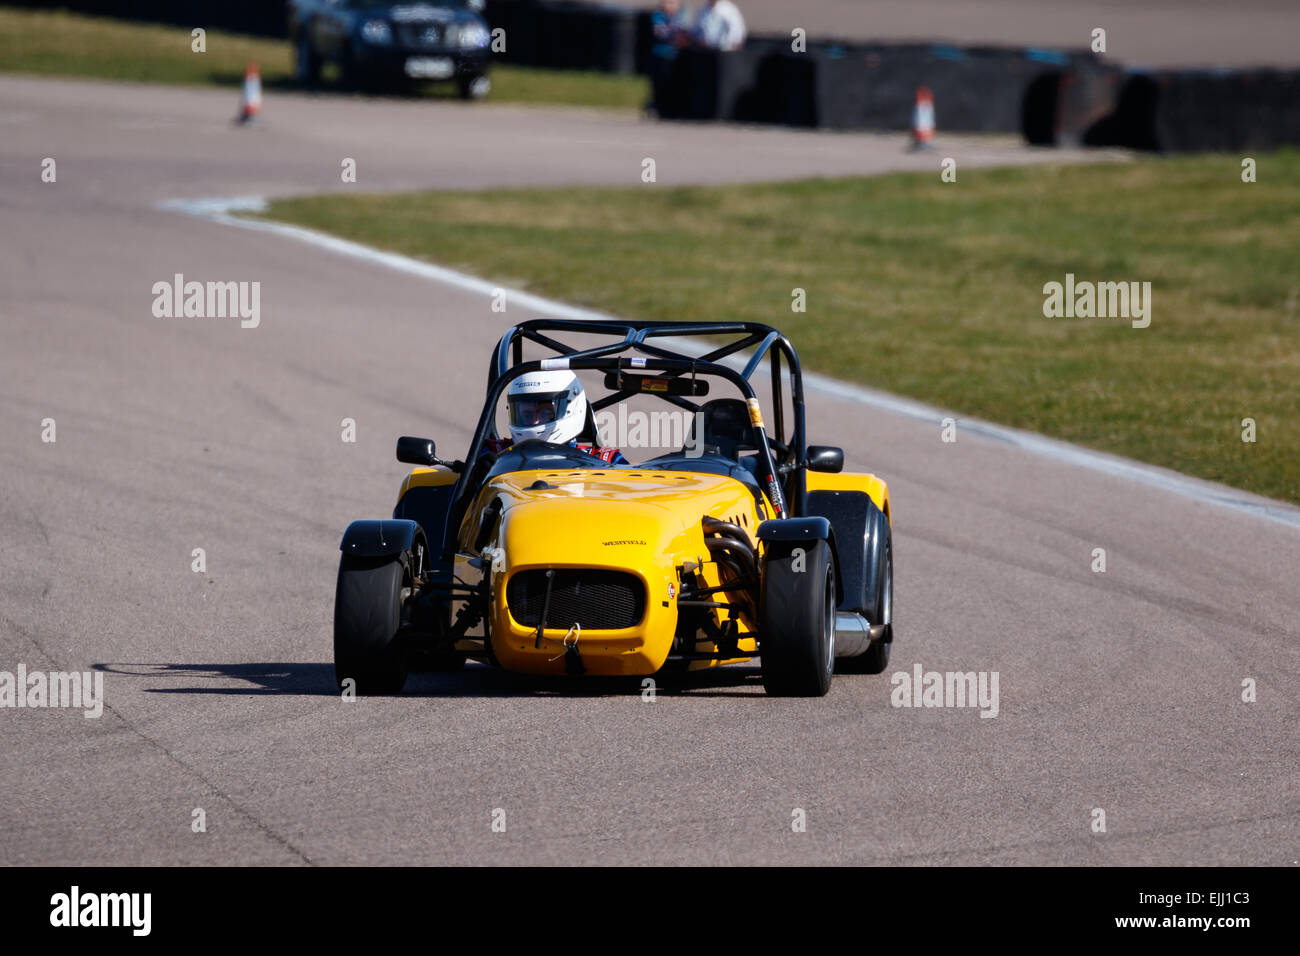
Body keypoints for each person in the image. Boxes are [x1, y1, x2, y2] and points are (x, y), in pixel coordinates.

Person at [486, 369, 627, 464]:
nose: (535, 421)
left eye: (545, 414)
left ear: (572, 409)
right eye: (527, 415)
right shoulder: (492, 455)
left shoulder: (606, 460)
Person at [647, 0, 691, 116]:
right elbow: (661, 33)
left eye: (671, 3)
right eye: (666, 2)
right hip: (660, 55)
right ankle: (657, 107)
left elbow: (685, 34)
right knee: (658, 84)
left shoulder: (681, 16)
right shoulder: (658, 16)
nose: (668, 5)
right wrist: (676, 36)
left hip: (676, 57)